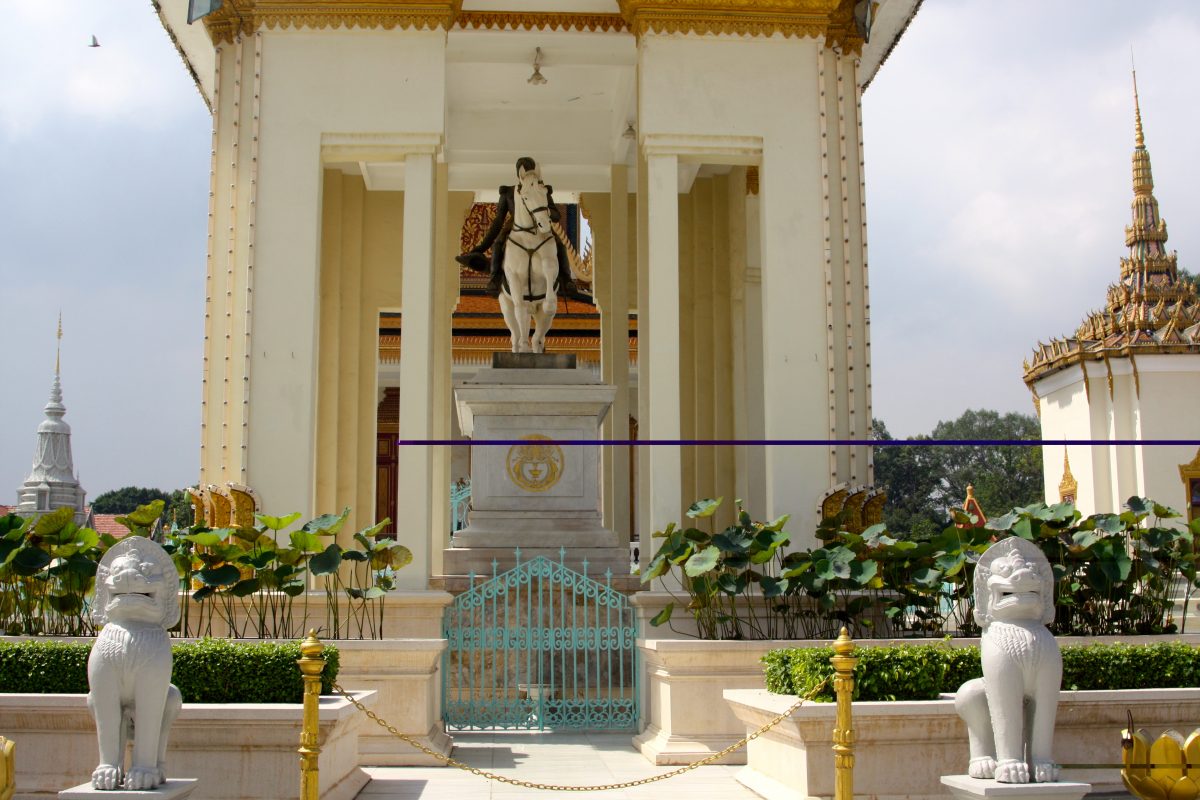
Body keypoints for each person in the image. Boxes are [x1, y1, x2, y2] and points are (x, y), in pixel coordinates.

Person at [456, 156, 577, 298]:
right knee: (498, 245)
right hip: (514, 225)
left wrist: (546, 212)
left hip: (540, 224)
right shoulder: (507, 192)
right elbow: (498, 220)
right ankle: (495, 279)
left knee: (560, 245)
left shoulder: (541, 190)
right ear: (519, 174)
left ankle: (566, 279)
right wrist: (482, 247)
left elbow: (556, 215)